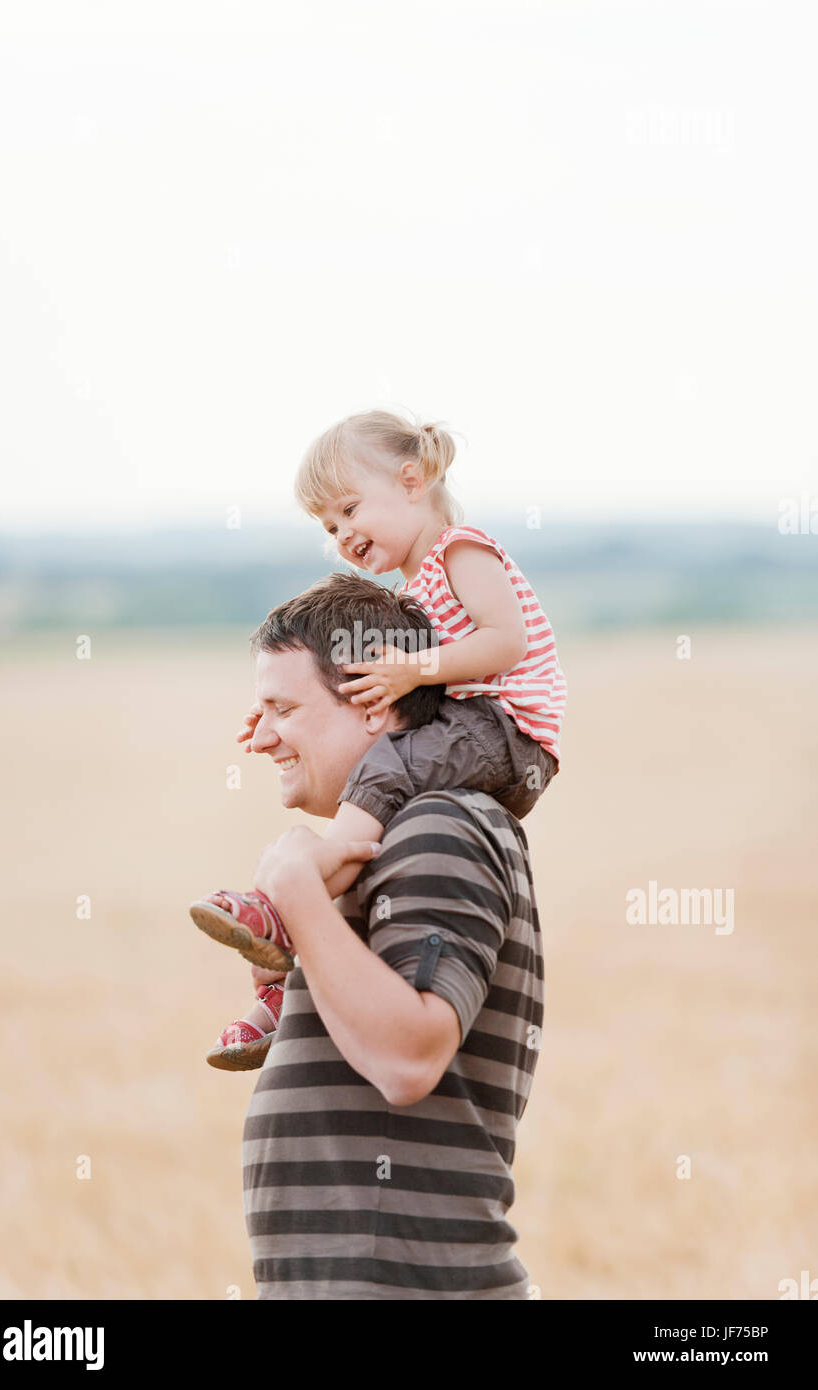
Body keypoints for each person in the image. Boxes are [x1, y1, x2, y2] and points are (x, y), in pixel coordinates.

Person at [191, 408, 566, 1067]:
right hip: (471, 722)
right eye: (328, 526)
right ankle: (282, 985)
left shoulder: (461, 549)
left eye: (348, 509)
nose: (341, 534)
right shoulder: (411, 585)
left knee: (383, 772)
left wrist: (413, 668)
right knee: (355, 836)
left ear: (412, 480)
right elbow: (347, 678)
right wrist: (279, 712)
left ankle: (285, 902)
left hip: (507, 729)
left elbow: (506, 641)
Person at [235, 573, 547, 1298]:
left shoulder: (436, 825)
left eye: (283, 708)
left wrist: (293, 890)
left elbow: (410, 1058)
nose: (263, 737)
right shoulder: (391, 842)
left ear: (375, 702)